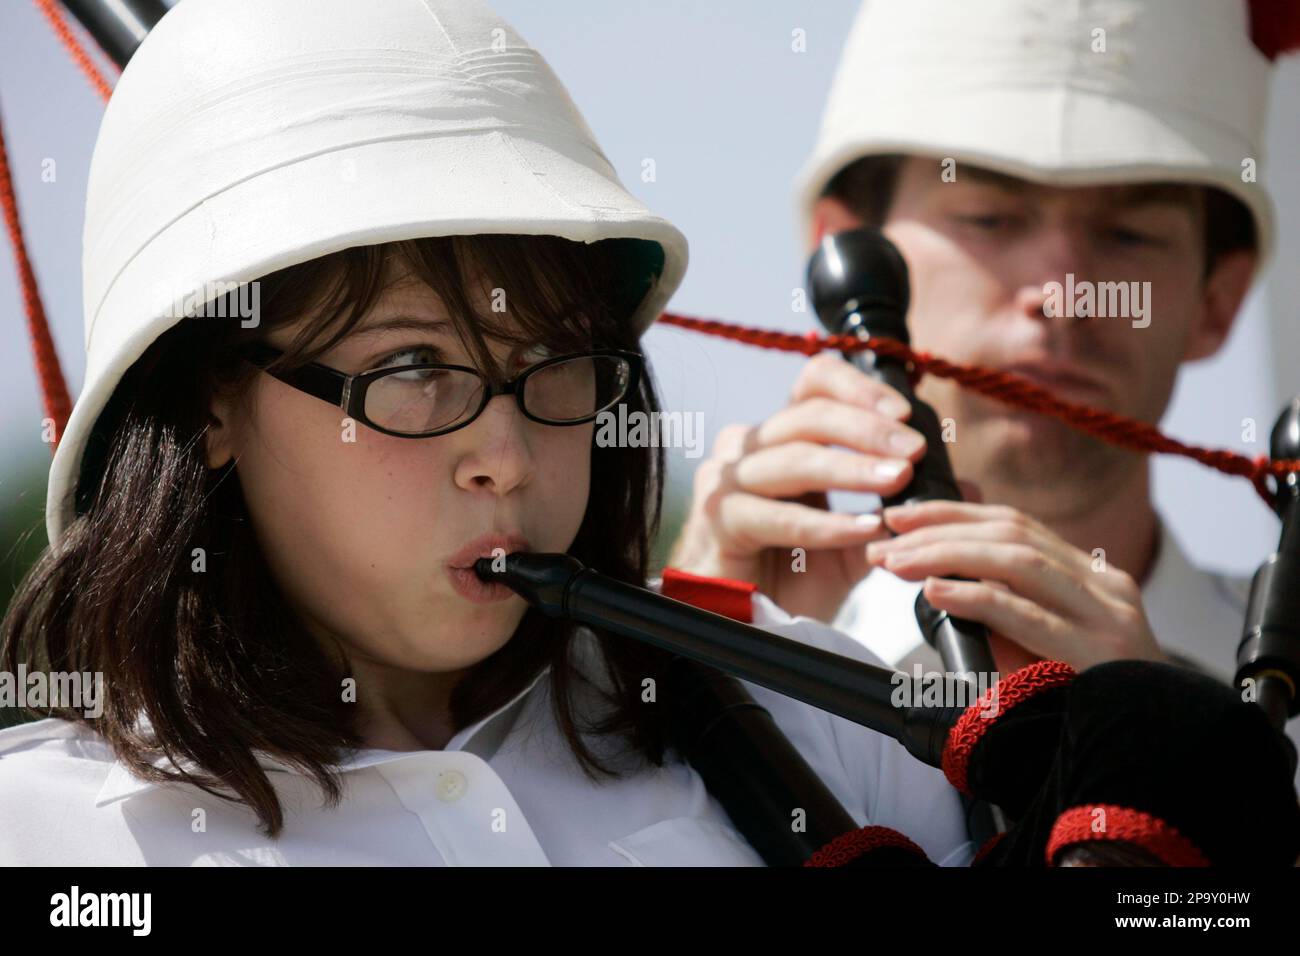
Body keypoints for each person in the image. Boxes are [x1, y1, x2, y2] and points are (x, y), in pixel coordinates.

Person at [0, 0, 975, 867]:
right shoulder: (39, 834)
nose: (506, 460)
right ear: (209, 405)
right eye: (413, 370)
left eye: (554, 362)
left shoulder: (828, 713)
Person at [667, 0, 1300, 781]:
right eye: (989, 215)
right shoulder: (723, 642)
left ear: (1218, 299)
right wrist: (680, 675)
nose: (1063, 293)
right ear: (844, 251)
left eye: (1129, 234)